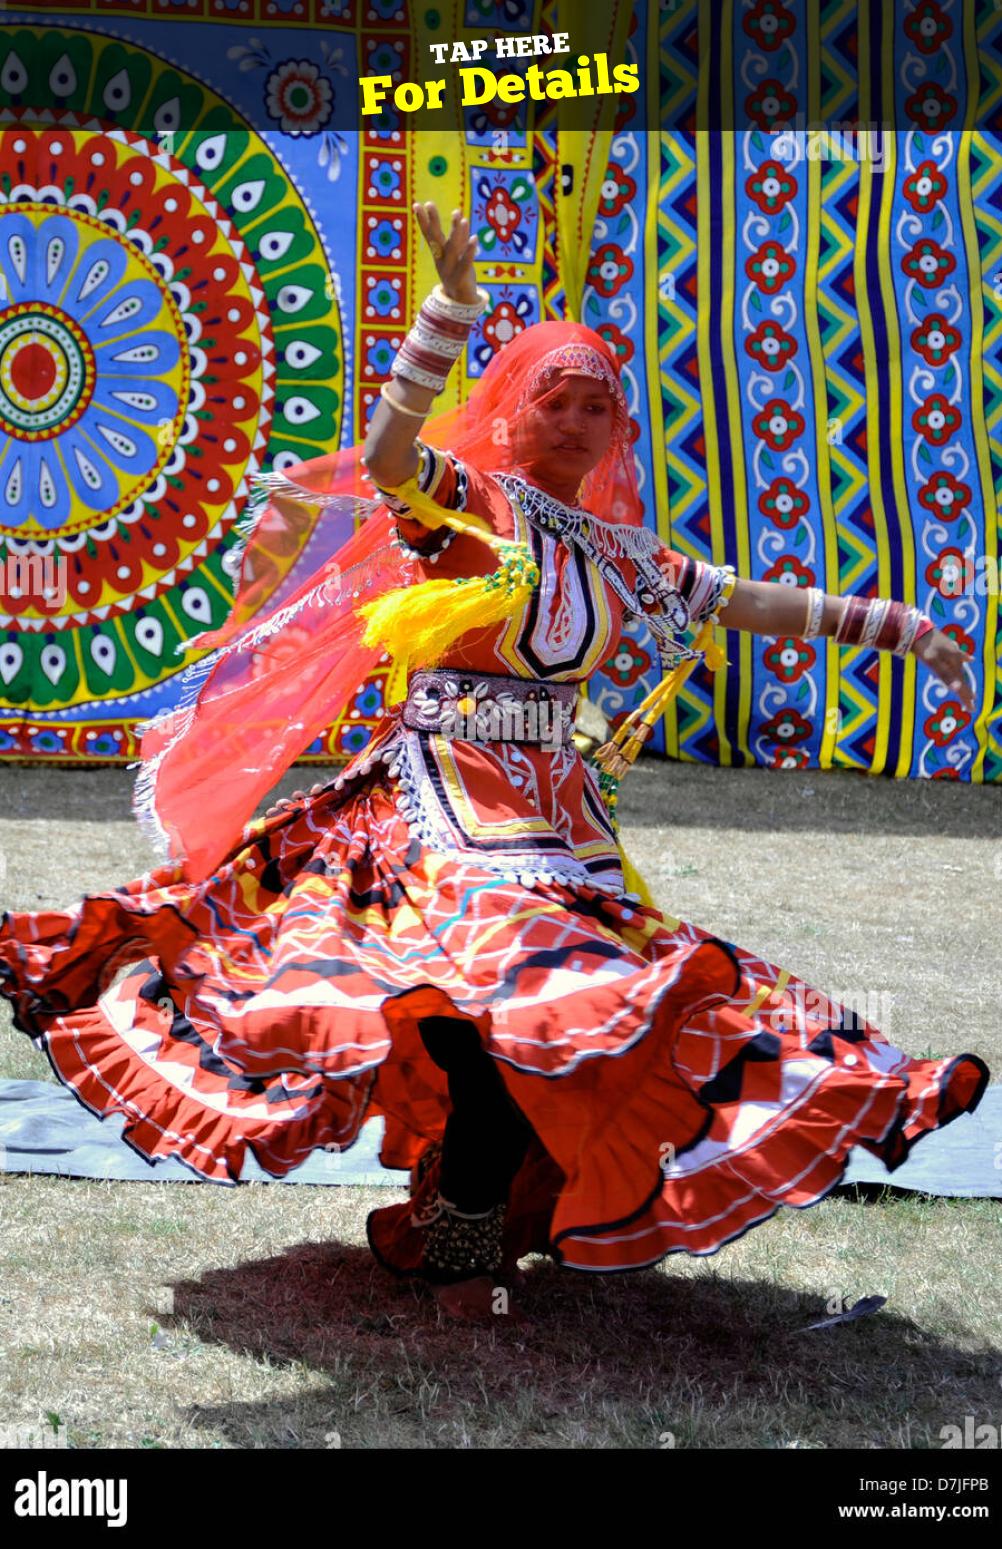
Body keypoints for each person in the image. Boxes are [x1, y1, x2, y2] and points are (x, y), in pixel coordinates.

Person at [0, 202, 987, 1324]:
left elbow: (749, 599)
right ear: (513, 416)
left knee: (569, 1024)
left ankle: (464, 1229)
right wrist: (445, 314)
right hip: (442, 813)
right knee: (497, 1025)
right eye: (550, 400)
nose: (572, 418)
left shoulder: (628, 553)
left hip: (561, 830)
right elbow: (384, 455)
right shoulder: (474, 508)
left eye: (595, 404)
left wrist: (903, 626)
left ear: (619, 425)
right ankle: (463, 1248)